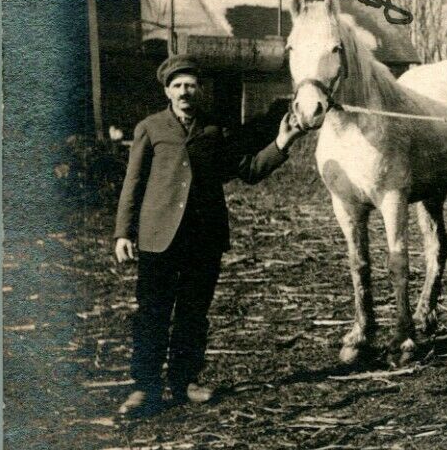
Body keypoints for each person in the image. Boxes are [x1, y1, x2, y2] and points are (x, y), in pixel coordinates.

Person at [113, 55, 305, 416]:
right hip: (157, 238)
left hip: (203, 240)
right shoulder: (150, 128)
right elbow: (133, 182)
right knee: (152, 312)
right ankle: (145, 387)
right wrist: (124, 232)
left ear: (199, 90)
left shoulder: (215, 131)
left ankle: (185, 381)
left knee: (193, 313)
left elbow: (247, 169)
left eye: (191, 85)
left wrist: (282, 141)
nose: (185, 92)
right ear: (167, 91)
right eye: (178, 86)